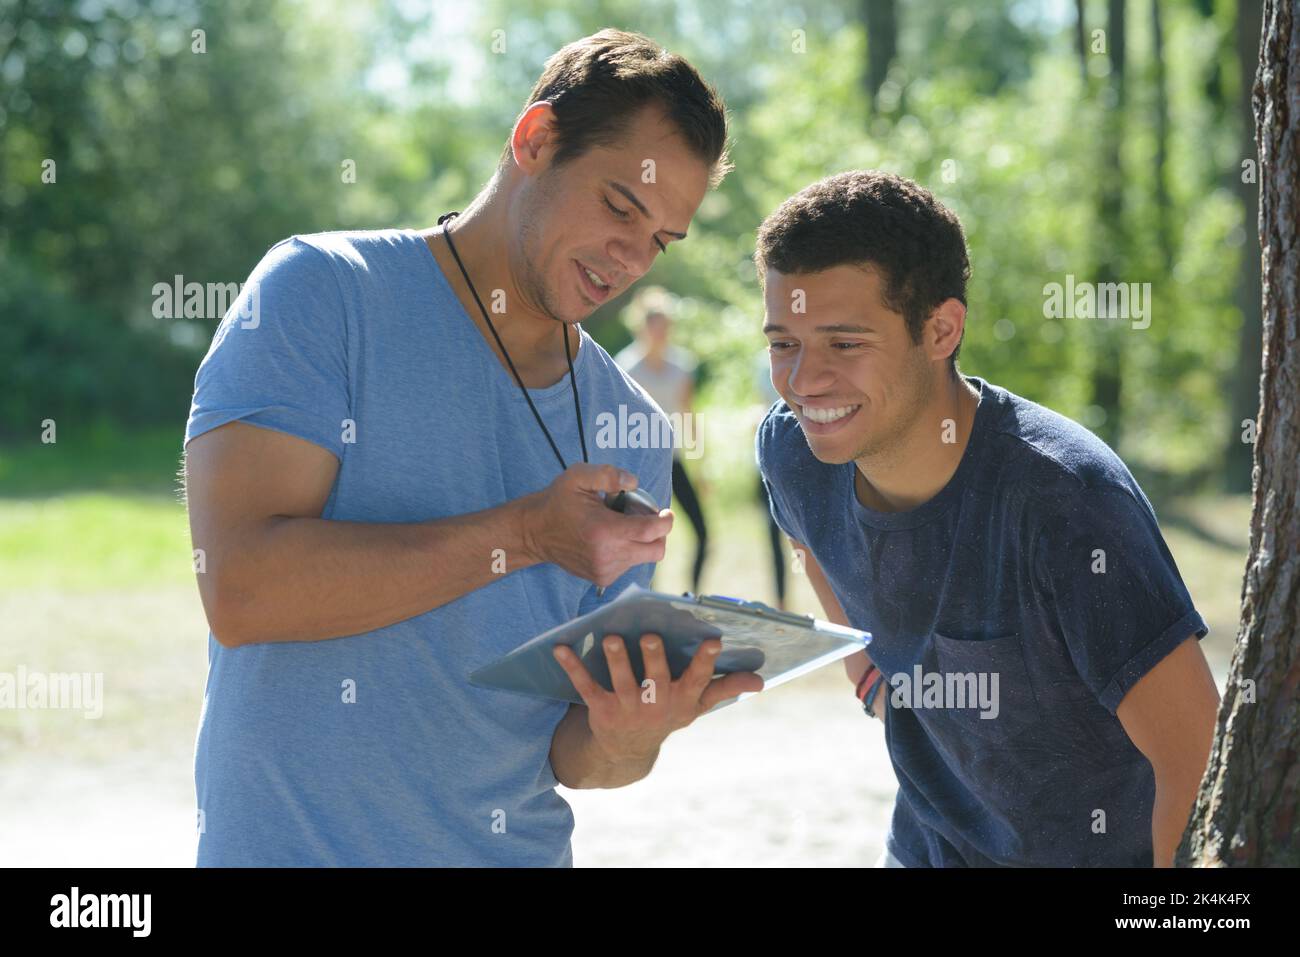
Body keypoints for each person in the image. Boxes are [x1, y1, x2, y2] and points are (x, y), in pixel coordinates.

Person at [183, 29, 761, 867]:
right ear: (535, 140)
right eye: (620, 206)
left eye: (662, 238)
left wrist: (632, 733)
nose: (632, 258)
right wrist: (523, 535)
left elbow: (573, 753)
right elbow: (241, 589)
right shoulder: (321, 293)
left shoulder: (631, 422)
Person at [754, 170, 1220, 867]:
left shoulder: (1067, 501)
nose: (802, 380)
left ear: (940, 328)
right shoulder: (793, 452)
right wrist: (870, 670)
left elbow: (1198, 762)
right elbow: (808, 535)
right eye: (784, 343)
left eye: (844, 344)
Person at [614, 287, 709, 592]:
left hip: (674, 462)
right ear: (642, 326)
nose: (661, 331)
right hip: (639, 469)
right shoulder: (625, 367)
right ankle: (646, 599)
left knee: (704, 534)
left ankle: (692, 598)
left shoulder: (682, 366)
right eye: (654, 324)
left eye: (665, 325)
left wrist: (701, 468)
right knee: (645, 540)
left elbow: (688, 415)